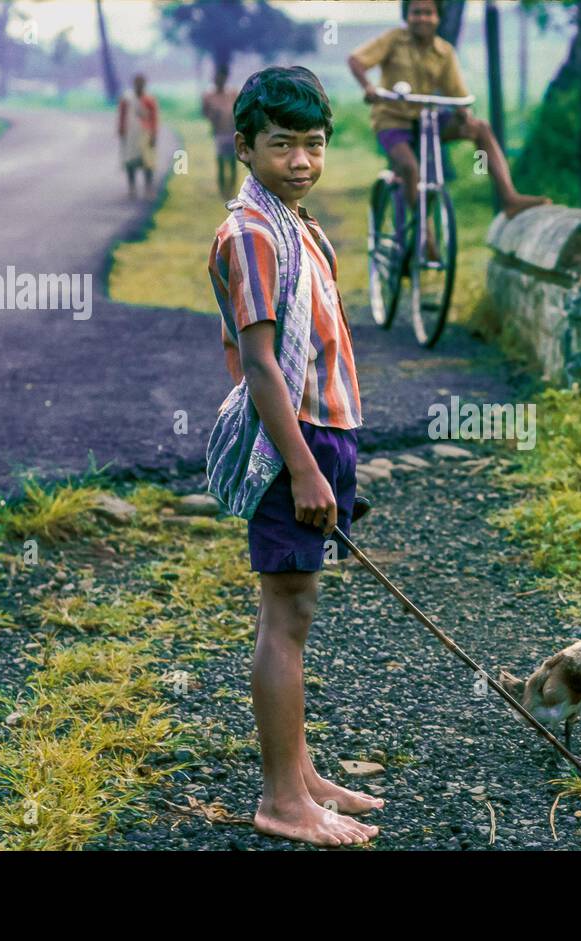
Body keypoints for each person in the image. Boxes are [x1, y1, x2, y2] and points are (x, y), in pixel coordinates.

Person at [207, 66, 380, 848]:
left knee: (298, 611)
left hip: (321, 435)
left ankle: (302, 773)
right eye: (283, 146)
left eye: (314, 145)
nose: (302, 161)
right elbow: (260, 363)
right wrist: (304, 467)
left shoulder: (294, 222)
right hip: (295, 444)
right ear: (245, 147)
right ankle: (282, 799)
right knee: (286, 614)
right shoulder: (251, 233)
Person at [347, 0, 549, 260]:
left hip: (427, 121)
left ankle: (509, 198)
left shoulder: (444, 52)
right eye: (416, 12)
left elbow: (457, 93)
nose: (422, 18)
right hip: (392, 120)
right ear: (407, 16)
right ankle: (425, 236)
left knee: (481, 128)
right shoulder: (393, 40)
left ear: (438, 17)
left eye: (428, 13)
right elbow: (356, 60)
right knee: (409, 168)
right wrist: (369, 87)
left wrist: (464, 113)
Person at [118, 73, 159, 198]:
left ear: (145, 84)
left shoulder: (149, 100)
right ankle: (132, 188)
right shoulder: (126, 99)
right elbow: (122, 117)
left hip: (145, 133)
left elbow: (154, 118)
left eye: (142, 83)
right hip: (130, 134)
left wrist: (154, 135)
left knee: (148, 162)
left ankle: (148, 188)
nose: (140, 85)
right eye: (137, 82)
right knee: (130, 161)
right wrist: (121, 132)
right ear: (134, 84)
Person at [201, 65, 238, 200]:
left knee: (233, 161)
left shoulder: (232, 93)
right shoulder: (209, 95)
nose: (220, 81)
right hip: (219, 132)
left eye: (222, 78)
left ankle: (232, 190)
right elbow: (204, 111)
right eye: (218, 79)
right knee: (221, 161)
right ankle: (223, 191)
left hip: (233, 131)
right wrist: (213, 116)